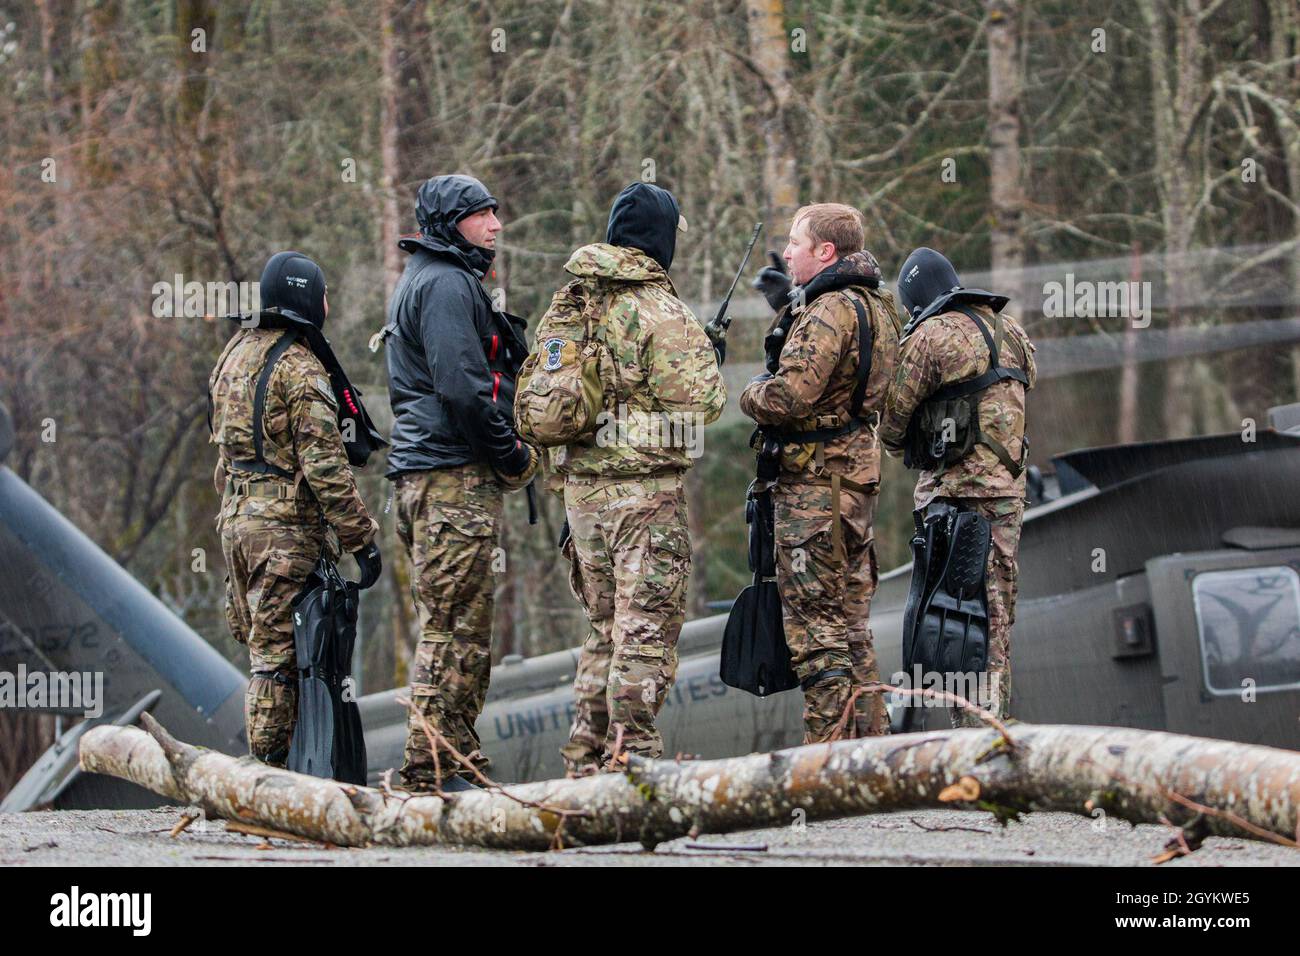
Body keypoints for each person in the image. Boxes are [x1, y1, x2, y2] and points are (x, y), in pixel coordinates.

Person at [540, 182, 725, 776]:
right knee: (644, 630)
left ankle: (584, 761)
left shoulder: (569, 300)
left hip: (580, 495)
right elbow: (698, 407)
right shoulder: (659, 308)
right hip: (643, 498)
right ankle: (633, 763)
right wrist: (709, 361)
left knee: (602, 631)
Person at [381, 174, 537, 792]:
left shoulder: (434, 278)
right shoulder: (445, 284)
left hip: (436, 475)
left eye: (496, 213)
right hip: (448, 477)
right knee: (452, 630)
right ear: (452, 222)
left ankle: (455, 764)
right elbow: (463, 390)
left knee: (463, 628)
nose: (496, 225)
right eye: (482, 215)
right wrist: (512, 454)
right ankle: (430, 772)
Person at [210, 251, 381, 766]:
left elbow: (223, 454)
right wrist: (362, 540)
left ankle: (275, 775)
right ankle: (267, 786)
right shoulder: (302, 369)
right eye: (325, 294)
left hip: (237, 521)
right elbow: (327, 468)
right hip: (283, 534)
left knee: (263, 650)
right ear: (308, 296)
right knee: (278, 663)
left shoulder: (232, 355)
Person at [739, 203, 900, 742]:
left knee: (814, 626)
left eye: (797, 243)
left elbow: (790, 394)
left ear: (826, 252)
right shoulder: (879, 306)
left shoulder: (830, 310)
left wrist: (749, 393)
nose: (788, 252)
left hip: (815, 486)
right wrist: (789, 308)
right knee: (852, 624)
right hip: (854, 480)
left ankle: (826, 760)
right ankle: (873, 754)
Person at [879, 247, 1036, 727]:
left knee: (950, 622)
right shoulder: (1014, 332)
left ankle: (970, 742)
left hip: (953, 497)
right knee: (996, 618)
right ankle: (994, 733)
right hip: (1007, 495)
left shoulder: (930, 335)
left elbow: (891, 425)